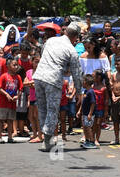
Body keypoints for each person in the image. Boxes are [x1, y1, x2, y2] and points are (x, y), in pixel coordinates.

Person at [32, 22, 85, 152]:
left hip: (39, 76)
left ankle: (46, 138)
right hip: (53, 79)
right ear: (75, 37)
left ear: (65, 32)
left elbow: (43, 53)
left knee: (42, 108)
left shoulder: (51, 41)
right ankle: (47, 141)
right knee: (52, 110)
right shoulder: (71, 50)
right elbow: (77, 73)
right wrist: (79, 91)